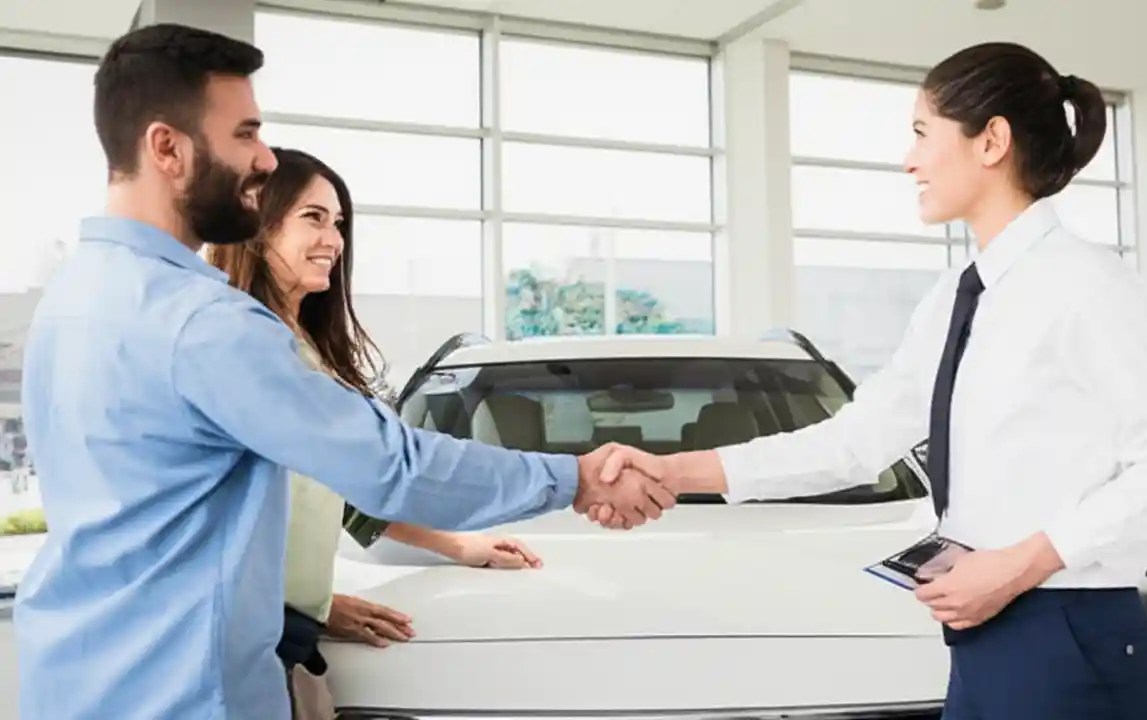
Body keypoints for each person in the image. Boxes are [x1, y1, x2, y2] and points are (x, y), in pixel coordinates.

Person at [16, 24, 672, 720]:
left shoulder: (73, 295)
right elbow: (394, 468)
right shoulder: (206, 324)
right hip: (182, 696)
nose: (265, 158)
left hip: (70, 686)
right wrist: (573, 479)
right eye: (244, 134)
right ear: (167, 148)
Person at [596, 42, 1147, 720]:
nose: (909, 160)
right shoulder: (958, 296)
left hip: (1067, 636)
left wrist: (1020, 563)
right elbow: (856, 442)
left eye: (923, 133)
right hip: (984, 637)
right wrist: (671, 471)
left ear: (992, 142)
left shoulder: (1087, 284)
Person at [205, 147, 544, 715]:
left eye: (338, 223)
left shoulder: (301, 343)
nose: (335, 240)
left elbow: (336, 484)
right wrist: (307, 604)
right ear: (259, 228)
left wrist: (457, 543)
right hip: (240, 639)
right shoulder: (240, 346)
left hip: (281, 632)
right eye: (313, 217)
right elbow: (213, 513)